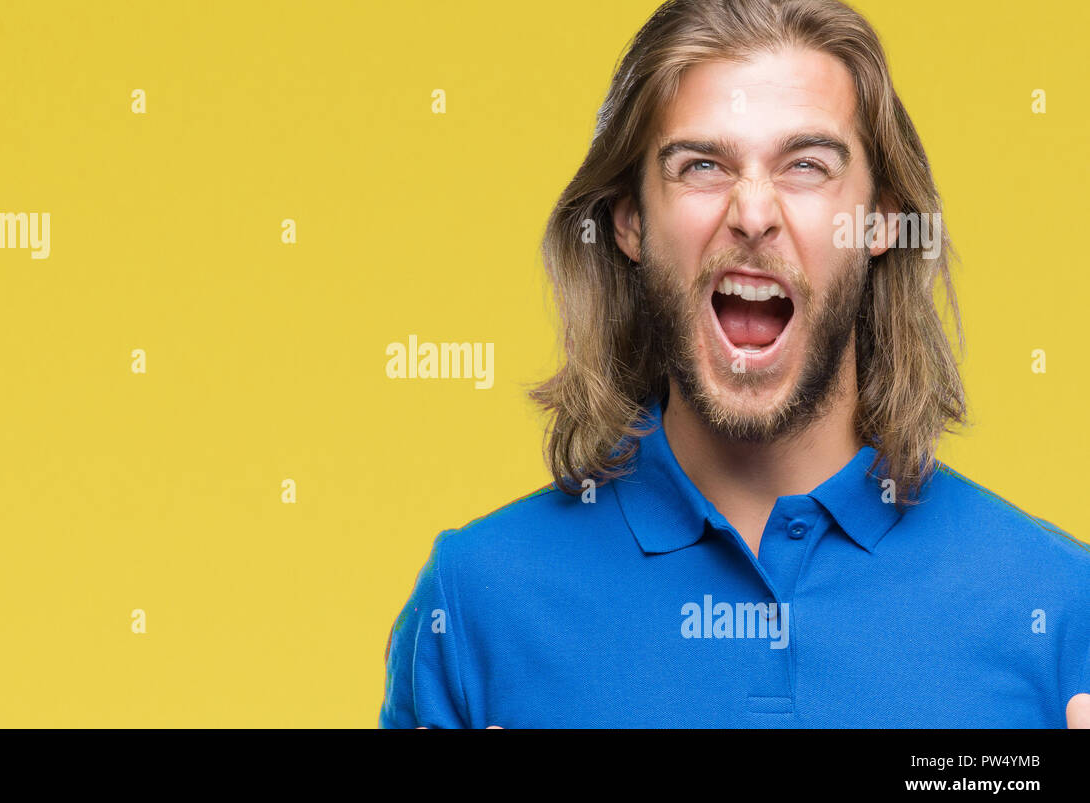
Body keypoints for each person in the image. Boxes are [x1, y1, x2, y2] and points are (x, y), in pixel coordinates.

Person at [380, 0, 1090, 728]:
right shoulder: (474, 605)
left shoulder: (1060, 605)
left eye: (807, 165)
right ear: (631, 223)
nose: (753, 212)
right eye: (702, 165)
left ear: (881, 221)